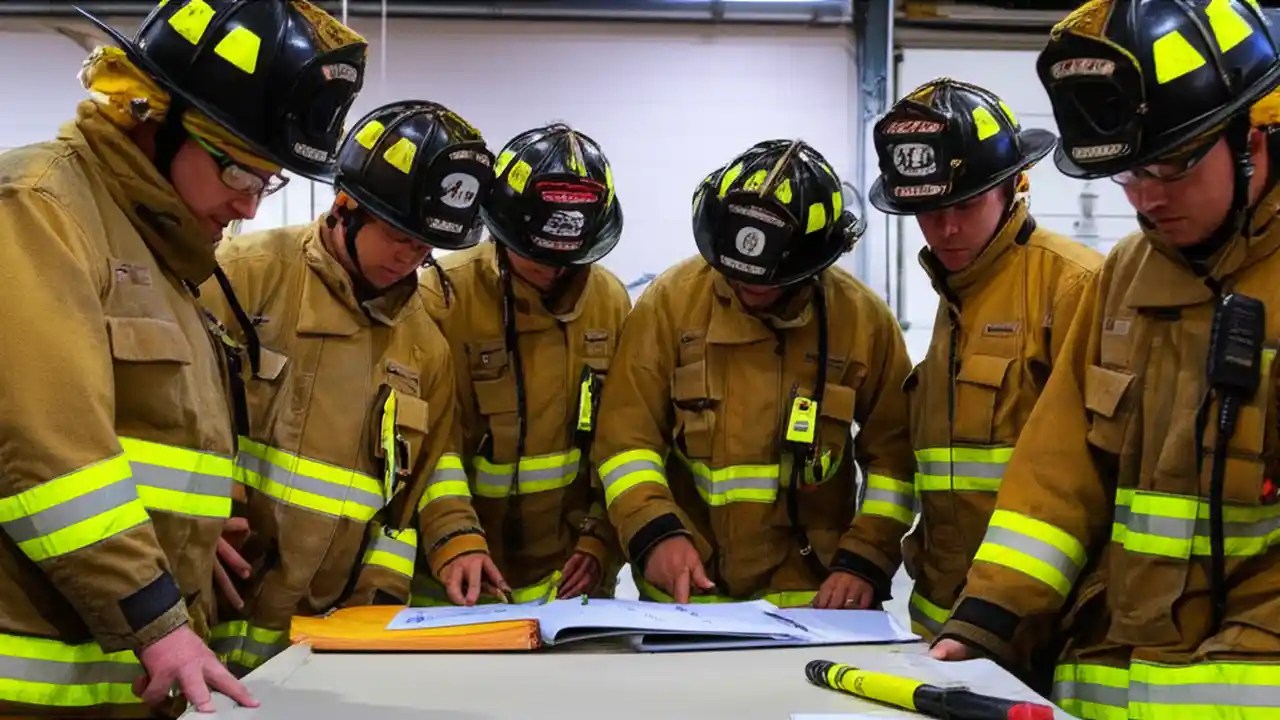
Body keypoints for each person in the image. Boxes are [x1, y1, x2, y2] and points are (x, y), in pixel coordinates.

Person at [0, 0, 365, 716]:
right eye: (240, 175)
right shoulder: (39, 209)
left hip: (128, 681)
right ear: (155, 116)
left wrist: (191, 525)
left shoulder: (160, 246)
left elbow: (146, 434)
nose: (251, 208)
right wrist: (156, 618)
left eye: (267, 183)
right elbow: (43, 451)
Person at [929, 1, 1280, 717]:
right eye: (1130, 173)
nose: (1147, 198)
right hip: (1101, 684)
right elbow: (1059, 470)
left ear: (1254, 138)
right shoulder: (1125, 275)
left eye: (1172, 164)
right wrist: (990, 616)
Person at [200, 100, 508, 676]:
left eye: (425, 246)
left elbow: (408, 495)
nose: (409, 257)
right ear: (346, 206)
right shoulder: (240, 277)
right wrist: (192, 514)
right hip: (202, 612)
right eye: (398, 234)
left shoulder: (426, 348)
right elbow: (164, 417)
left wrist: (383, 596)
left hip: (313, 646)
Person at [589, 139, 916, 609]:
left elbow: (895, 459)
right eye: (737, 274)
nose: (750, 289)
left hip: (817, 603)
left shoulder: (863, 321)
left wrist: (865, 558)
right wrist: (655, 531)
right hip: (690, 599)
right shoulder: (670, 305)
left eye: (770, 280)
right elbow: (626, 440)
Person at [856, 77, 1102, 690]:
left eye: (965, 206)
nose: (944, 230)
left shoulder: (1074, 287)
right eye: (927, 212)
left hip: (1044, 637)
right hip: (948, 632)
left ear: (1013, 186)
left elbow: (1085, 478)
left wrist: (996, 617)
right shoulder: (956, 295)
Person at [414, 124, 630, 605]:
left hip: (572, 587)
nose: (552, 270)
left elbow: (625, 437)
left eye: (569, 259)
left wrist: (600, 539)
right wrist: (455, 537)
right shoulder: (442, 297)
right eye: (535, 255)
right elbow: (427, 443)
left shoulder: (610, 302)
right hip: (456, 583)